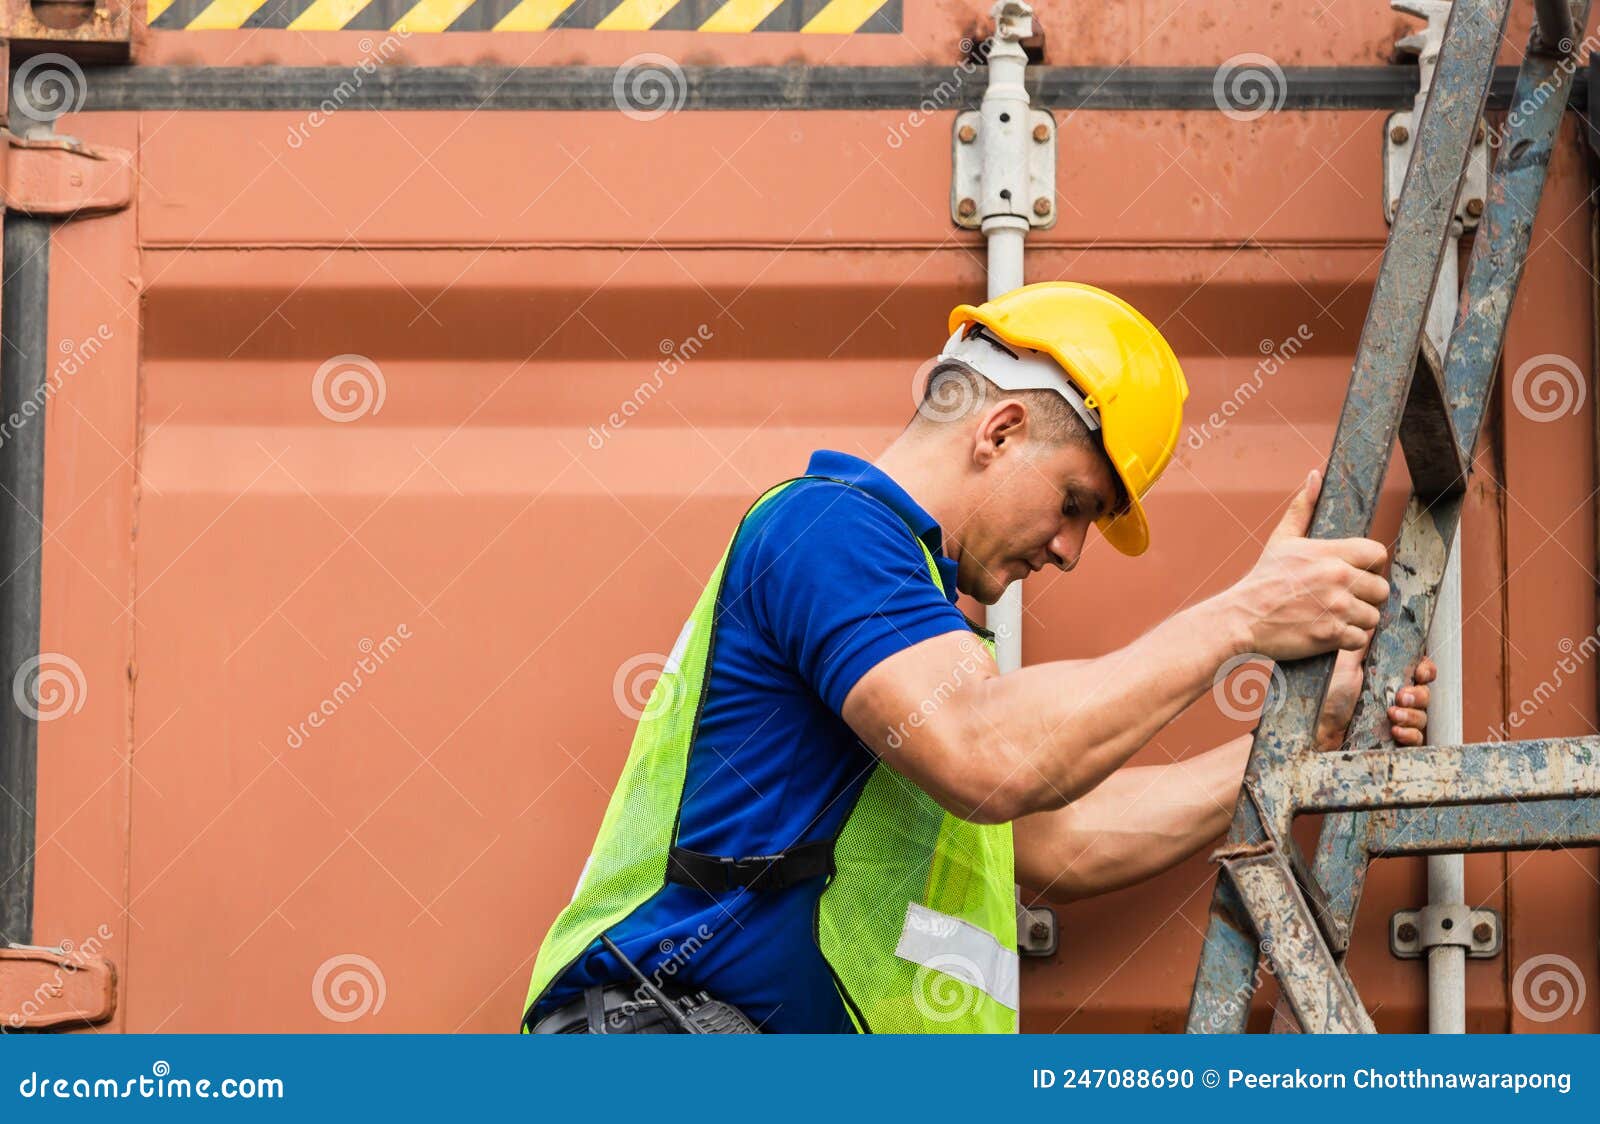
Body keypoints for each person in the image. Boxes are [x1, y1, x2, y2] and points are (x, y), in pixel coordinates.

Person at [520, 282, 1435, 1035]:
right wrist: (1242, 617)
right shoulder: (830, 528)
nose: (1070, 551)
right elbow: (986, 754)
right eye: (1077, 502)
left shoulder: (915, 631)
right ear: (997, 432)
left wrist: (1304, 734)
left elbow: (1062, 841)